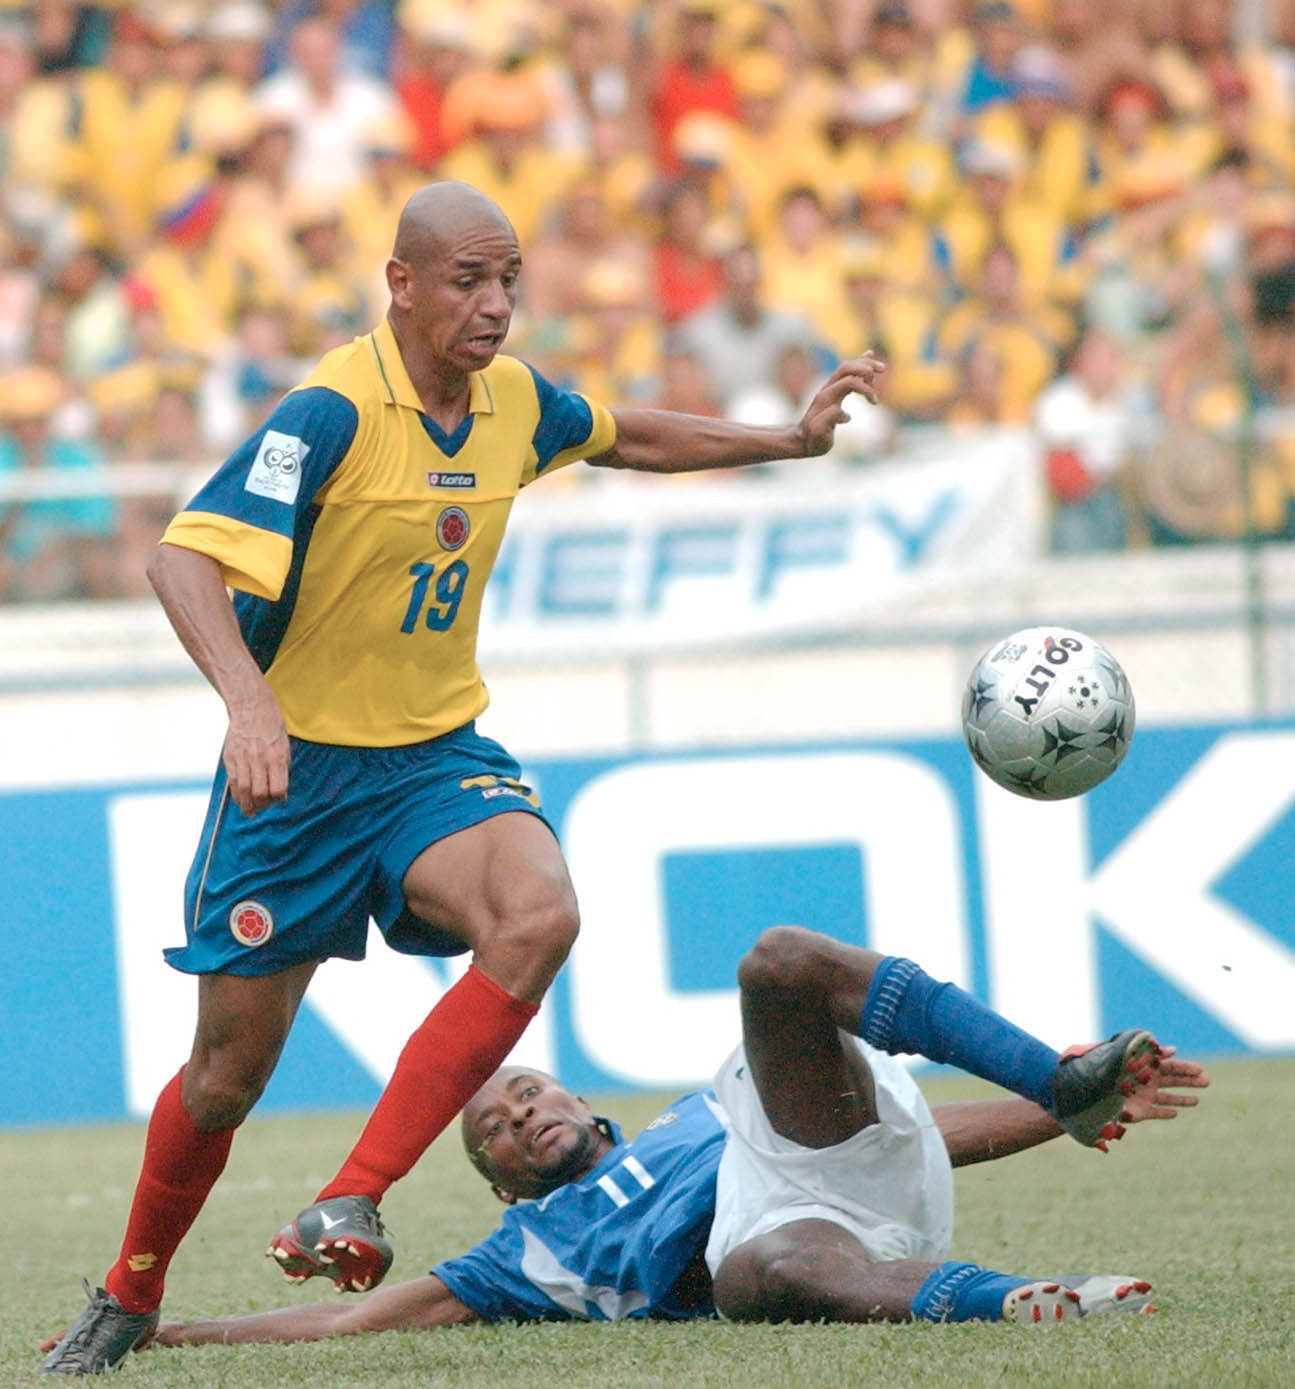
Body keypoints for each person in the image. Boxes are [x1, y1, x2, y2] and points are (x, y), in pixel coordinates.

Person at [39, 179, 889, 1375]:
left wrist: (786, 443)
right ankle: (130, 1292)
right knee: (225, 1080)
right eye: (466, 282)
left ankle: (352, 1195)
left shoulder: (512, 404)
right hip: (297, 782)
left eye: (508, 283)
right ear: (399, 283)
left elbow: (624, 435)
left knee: (539, 911)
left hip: (436, 758)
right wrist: (248, 701)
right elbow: (183, 559)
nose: (494, 307)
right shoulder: (327, 412)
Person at [100, 924, 1206, 1356]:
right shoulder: (522, 1257)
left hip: (831, 1163)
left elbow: (920, 1132)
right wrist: (169, 1334)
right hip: (803, 1245)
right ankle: (1014, 1298)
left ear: (581, 1103)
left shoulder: (698, 1113)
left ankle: (1052, 1065)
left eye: (528, 1091)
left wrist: (1055, 1115)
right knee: (758, 1272)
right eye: (495, 1129)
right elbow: (352, 1314)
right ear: (499, 1186)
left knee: (774, 963)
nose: (521, 1111)